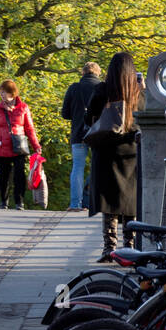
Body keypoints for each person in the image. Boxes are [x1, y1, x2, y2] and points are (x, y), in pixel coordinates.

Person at [86, 52, 143, 262]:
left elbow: (88, 116)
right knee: (130, 202)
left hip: (105, 151)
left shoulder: (102, 90)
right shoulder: (138, 93)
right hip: (131, 153)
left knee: (108, 203)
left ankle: (109, 248)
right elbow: (147, 118)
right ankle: (129, 246)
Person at [0, 79, 41, 209]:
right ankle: (4, 201)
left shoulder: (23, 107)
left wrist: (36, 146)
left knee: (19, 175)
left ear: (11, 92)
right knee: (3, 176)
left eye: (4, 92)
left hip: (18, 147)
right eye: (1, 92)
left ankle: (19, 201)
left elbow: (30, 128)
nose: (1, 94)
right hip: (2, 147)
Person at [62, 62, 103, 212]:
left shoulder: (74, 88)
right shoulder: (103, 88)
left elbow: (65, 114)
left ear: (83, 73)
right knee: (98, 167)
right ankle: (91, 202)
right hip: (99, 134)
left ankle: (75, 204)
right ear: (98, 73)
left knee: (77, 168)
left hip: (78, 133)